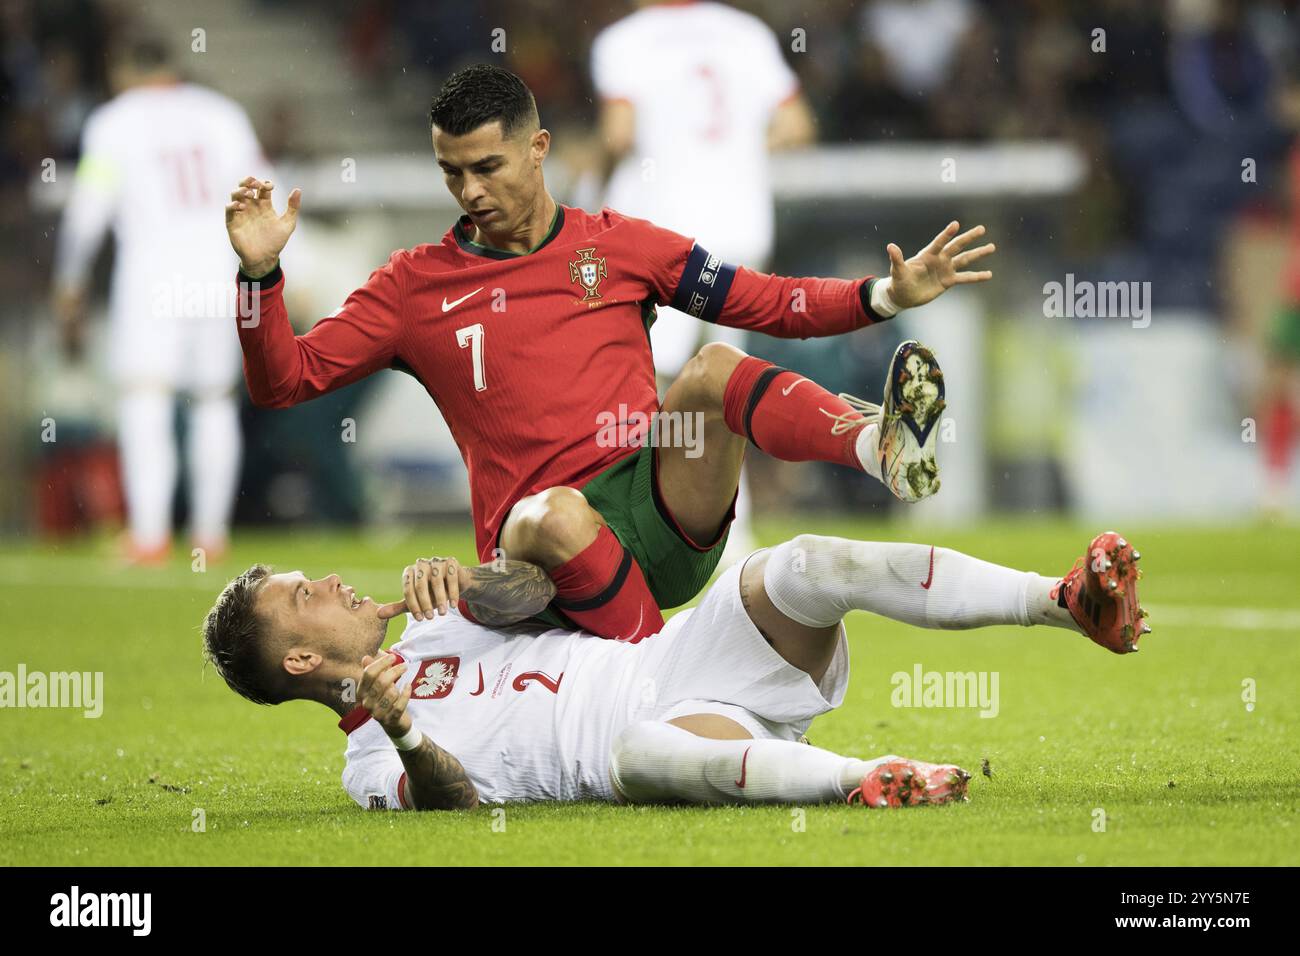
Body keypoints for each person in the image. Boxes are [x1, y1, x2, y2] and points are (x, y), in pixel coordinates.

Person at [225, 64, 995, 642]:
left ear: (539, 149)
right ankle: (660, 685)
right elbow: (285, 380)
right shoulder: (412, 287)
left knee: (713, 371)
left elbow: (759, 299)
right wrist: (259, 277)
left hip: (660, 510)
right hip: (538, 562)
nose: (469, 191)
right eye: (451, 172)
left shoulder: (620, 245)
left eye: (487, 167)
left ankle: (875, 447)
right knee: (557, 516)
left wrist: (883, 296)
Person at [200, 530, 1149, 811]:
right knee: (644, 752)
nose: (329, 580)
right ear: (302, 658)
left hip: (675, 656)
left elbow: (552, 587)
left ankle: (1063, 601)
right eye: (305, 593)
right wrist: (403, 727)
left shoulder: (435, 619)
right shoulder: (369, 768)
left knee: (805, 564)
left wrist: (476, 584)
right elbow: (452, 807)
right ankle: (870, 781)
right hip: (639, 746)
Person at [590, 0, 819, 559]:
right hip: (737, 228)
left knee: (644, 380)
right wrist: (733, 158)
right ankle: (731, 530)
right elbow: (797, 126)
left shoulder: (626, 39)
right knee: (725, 382)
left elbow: (618, 135)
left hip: (661, 233)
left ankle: (627, 522)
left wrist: (586, 174)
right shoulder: (746, 33)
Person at [53, 36, 269, 564]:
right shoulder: (221, 114)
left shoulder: (114, 121)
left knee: (146, 398)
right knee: (214, 401)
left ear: (126, 70)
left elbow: (89, 207)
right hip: (218, 273)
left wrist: (69, 277)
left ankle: (150, 534)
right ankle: (210, 535)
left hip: (151, 277)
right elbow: (266, 188)